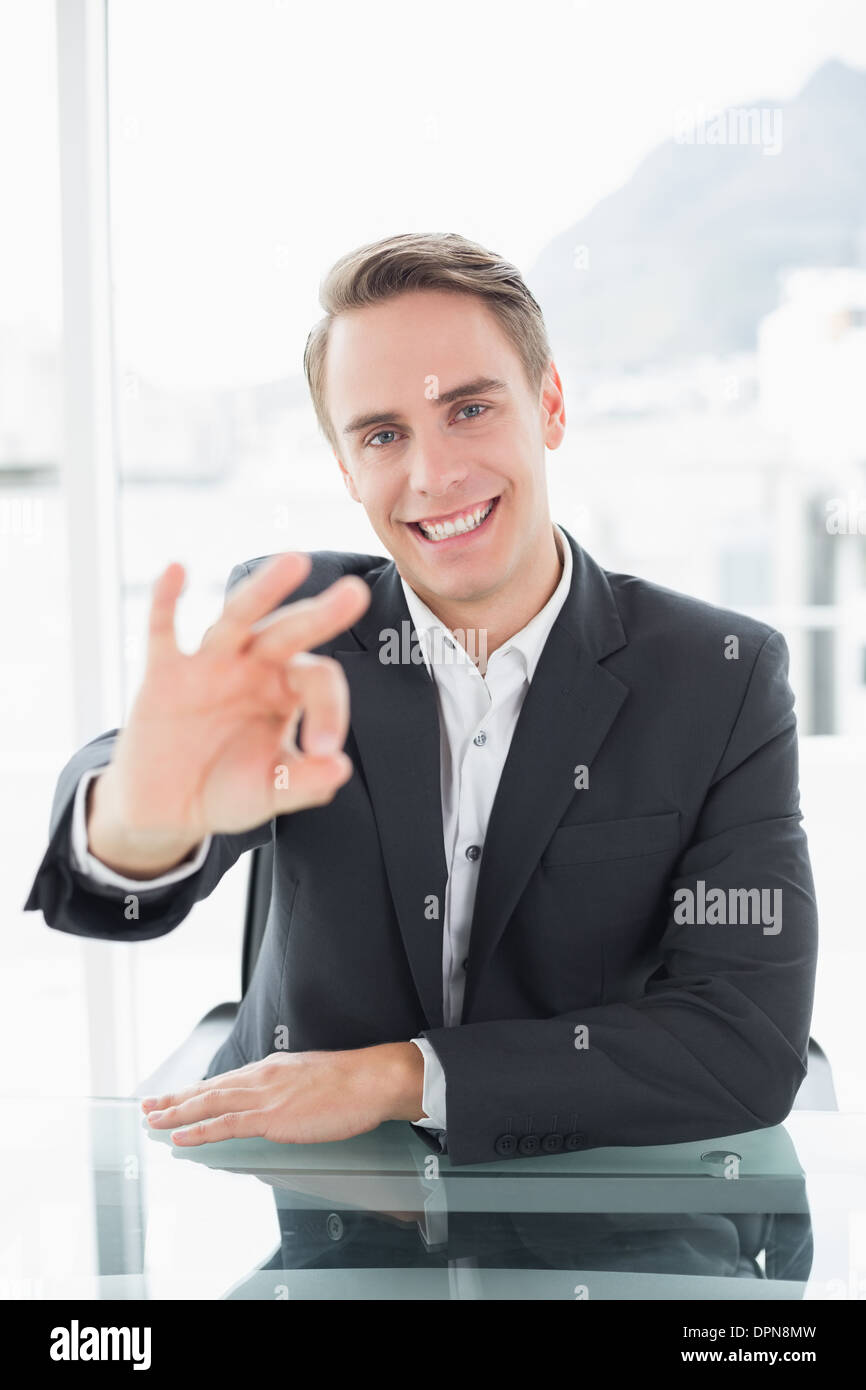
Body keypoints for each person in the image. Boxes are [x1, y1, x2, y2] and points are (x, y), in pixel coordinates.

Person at [25, 231, 818, 1178]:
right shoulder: (302, 627)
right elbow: (128, 850)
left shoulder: (719, 675)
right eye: (383, 434)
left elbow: (743, 1043)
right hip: (313, 1208)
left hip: (601, 1203)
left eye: (470, 409)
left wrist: (403, 1077)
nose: (432, 476)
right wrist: (142, 820)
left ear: (550, 404)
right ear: (345, 467)